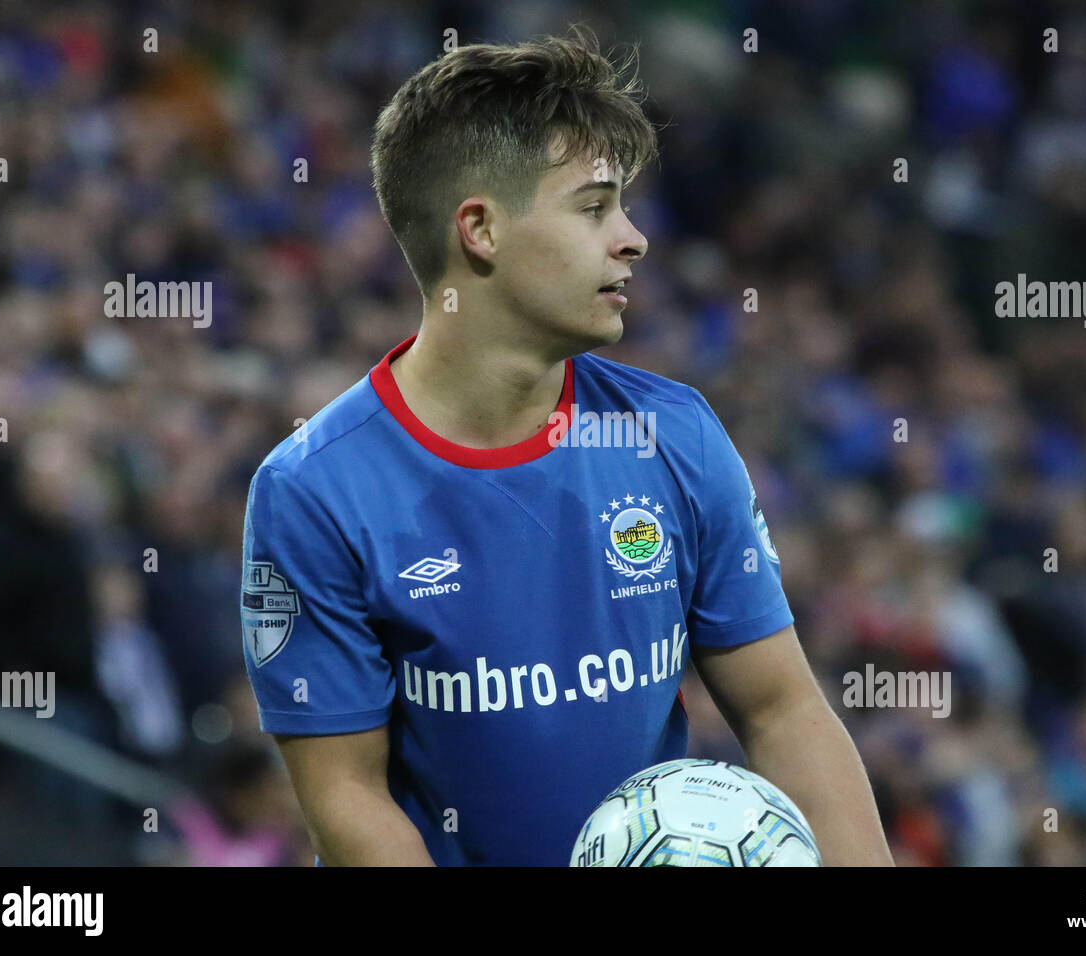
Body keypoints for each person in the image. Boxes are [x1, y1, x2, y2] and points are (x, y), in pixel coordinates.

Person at [240, 26, 892, 866]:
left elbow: (781, 710)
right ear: (480, 229)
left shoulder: (673, 435)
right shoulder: (315, 491)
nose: (633, 238)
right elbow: (345, 794)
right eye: (594, 208)